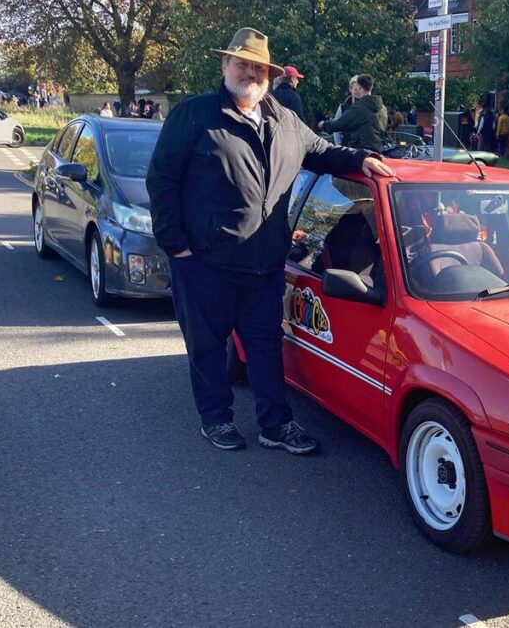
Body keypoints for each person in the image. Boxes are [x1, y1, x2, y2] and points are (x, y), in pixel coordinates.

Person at [146, 27, 394, 454]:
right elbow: (162, 181)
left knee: (264, 347)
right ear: (225, 66)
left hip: (263, 265)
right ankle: (216, 418)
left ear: (268, 74)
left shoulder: (283, 120)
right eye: (242, 64)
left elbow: (321, 150)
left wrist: (361, 158)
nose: (250, 73)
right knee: (207, 348)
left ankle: (275, 425)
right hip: (205, 263)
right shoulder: (194, 115)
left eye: (258, 67)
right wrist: (177, 247)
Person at [318, 73, 388, 153]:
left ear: (359, 87)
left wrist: (324, 124)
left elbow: (340, 123)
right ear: (371, 87)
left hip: (362, 153)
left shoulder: (359, 107)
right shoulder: (383, 108)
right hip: (378, 151)